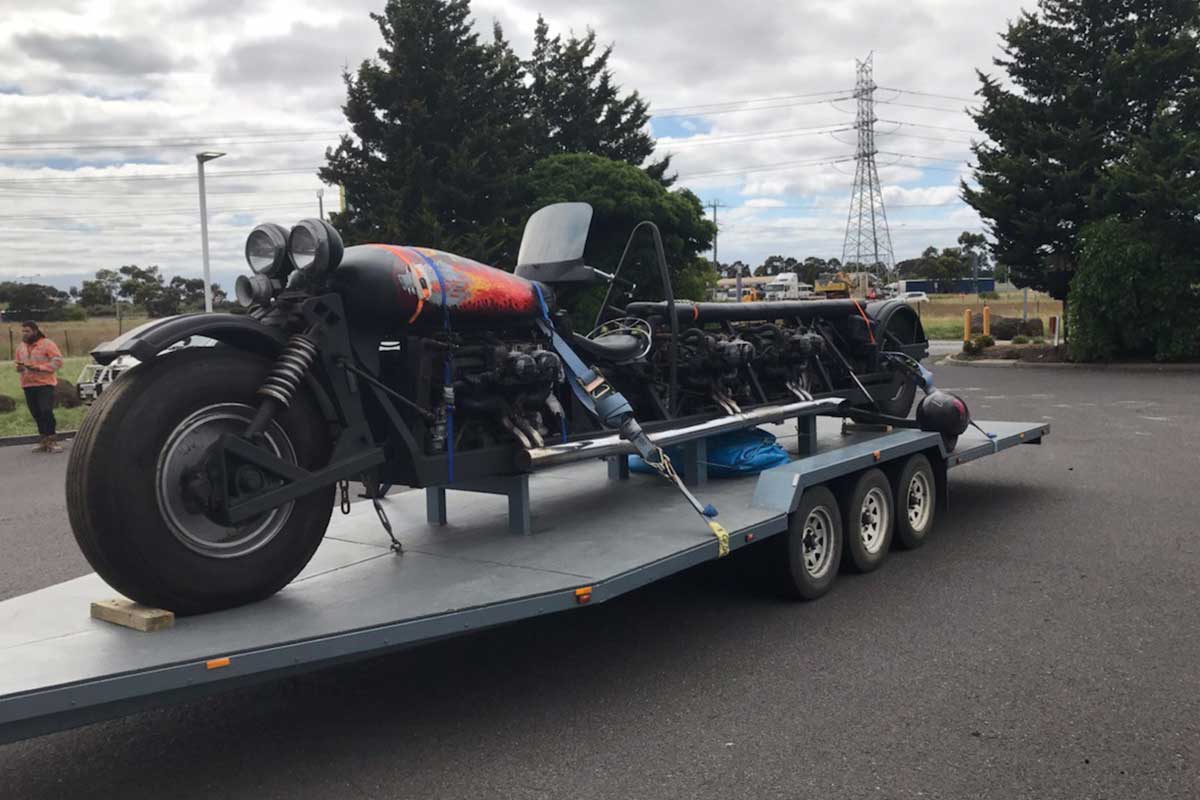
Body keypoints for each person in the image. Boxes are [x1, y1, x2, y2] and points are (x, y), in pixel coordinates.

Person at [14, 321, 65, 453]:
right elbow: (17, 363)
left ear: (35, 331)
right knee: (36, 413)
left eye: (27, 331)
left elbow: (58, 362)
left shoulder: (47, 344)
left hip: (44, 384)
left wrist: (39, 368)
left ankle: (52, 439)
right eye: (23, 331)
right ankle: (43, 440)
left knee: (46, 410)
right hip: (27, 384)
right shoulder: (21, 347)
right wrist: (19, 368)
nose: (24, 334)